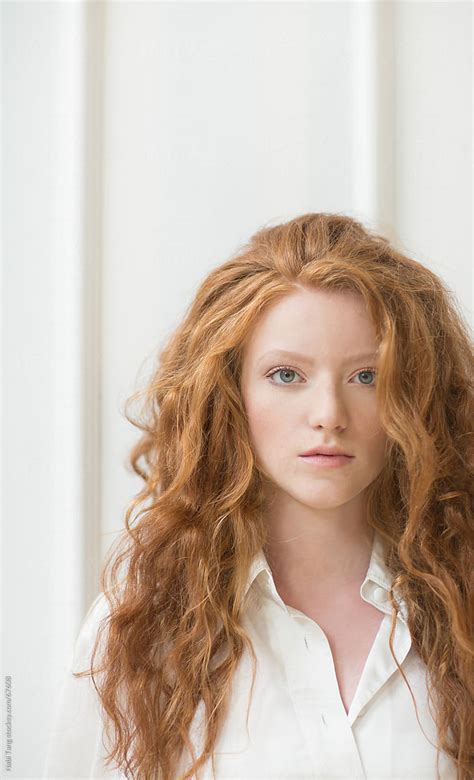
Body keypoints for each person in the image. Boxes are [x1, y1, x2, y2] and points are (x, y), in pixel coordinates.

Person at [43, 212, 473, 780]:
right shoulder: (143, 621)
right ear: (230, 392)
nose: (328, 416)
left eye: (367, 377)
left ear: (416, 393)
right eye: (287, 376)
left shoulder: (461, 602)